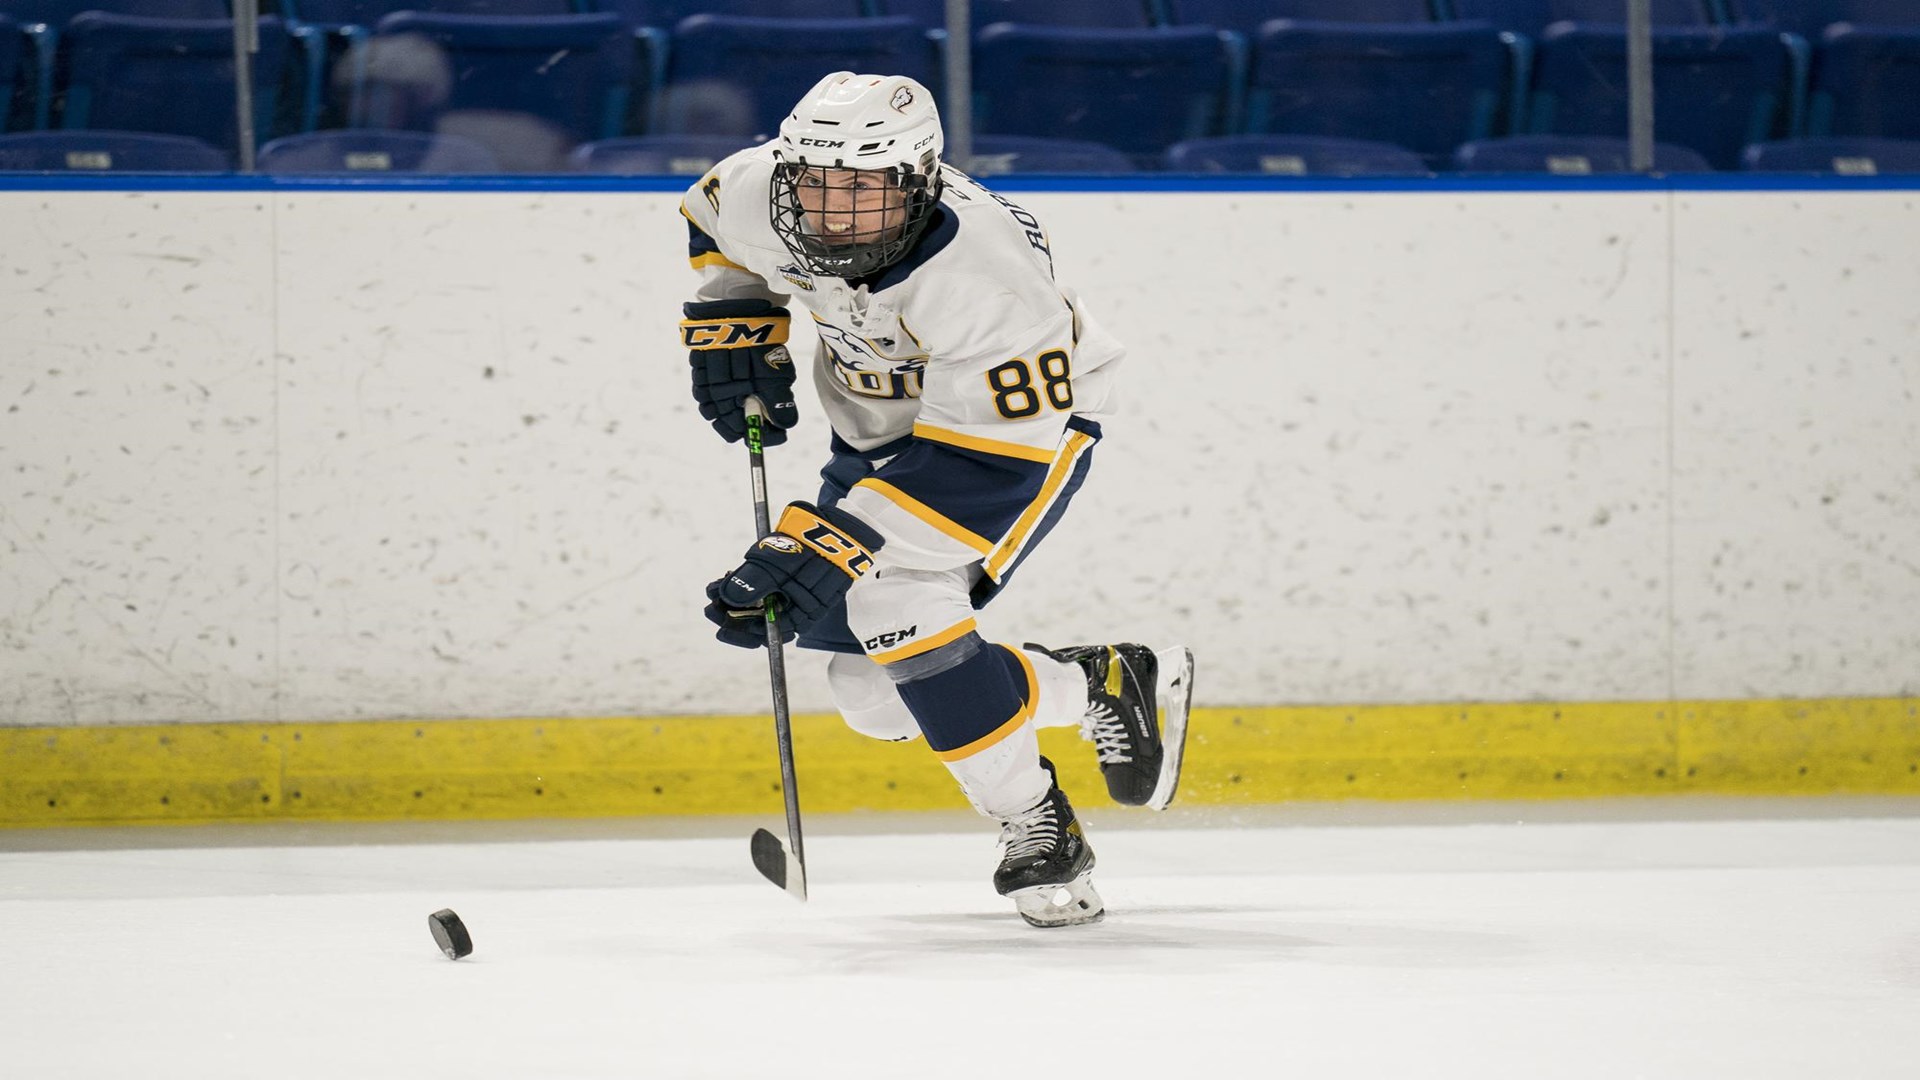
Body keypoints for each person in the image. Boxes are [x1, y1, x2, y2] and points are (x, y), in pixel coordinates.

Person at [679, 71, 1194, 928]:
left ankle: (1037, 828)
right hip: (880, 438)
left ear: (919, 182)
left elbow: (987, 462)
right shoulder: (756, 186)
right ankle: (1097, 682)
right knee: (873, 694)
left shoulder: (988, 275)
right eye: (818, 185)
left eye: (865, 190)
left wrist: (829, 544)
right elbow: (711, 225)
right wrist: (736, 323)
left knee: (897, 600)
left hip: (1021, 439)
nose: (834, 213)